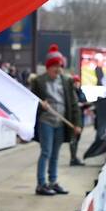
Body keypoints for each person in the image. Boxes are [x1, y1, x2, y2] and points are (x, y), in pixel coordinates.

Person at [29, 45, 81, 196]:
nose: (58, 70)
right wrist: (40, 104)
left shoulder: (66, 81)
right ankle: (41, 184)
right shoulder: (39, 81)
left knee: (55, 153)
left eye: (60, 66)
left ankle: (53, 181)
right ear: (49, 67)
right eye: (55, 67)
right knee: (46, 151)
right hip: (46, 121)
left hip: (61, 122)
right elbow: (32, 101)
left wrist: (77, 124)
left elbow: (73, 103)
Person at [67, 74, 89, 166]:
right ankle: (73, 158)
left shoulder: (81, 92)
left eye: (78, 82)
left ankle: (74, 157)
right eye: (75, 82)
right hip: (74, 118)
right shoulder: (70, 93)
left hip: (81, 117)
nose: (76, 84)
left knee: (77, 138)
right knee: (73, 138)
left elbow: (85, 101)